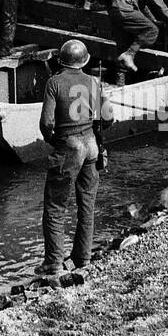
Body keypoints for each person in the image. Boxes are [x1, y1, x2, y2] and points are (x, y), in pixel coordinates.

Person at [38, 39, 114, 275]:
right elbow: (109, 118)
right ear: (84, 61)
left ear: (61, 61)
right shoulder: (93, 82)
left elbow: (46, 123)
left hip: (69, 147)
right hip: (91, 145)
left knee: (55, 206)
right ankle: (82, 258)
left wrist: (54, 140)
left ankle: (53, 263)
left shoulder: (54, 83)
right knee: (87, 205)